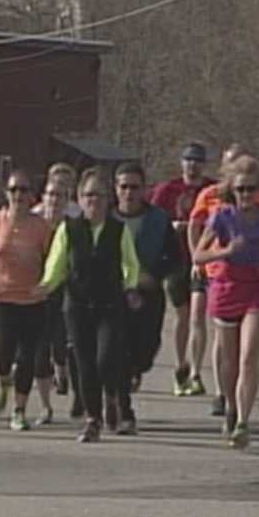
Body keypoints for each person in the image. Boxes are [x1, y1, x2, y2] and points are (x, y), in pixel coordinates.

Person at [192, 155, 259, 449]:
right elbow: (198, 255)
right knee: (229, 360)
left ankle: (244, 423)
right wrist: (223, 252)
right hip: (227, 286)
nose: (246, 195)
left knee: (249, 357)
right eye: (240, 189)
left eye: (251, 188)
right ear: (232, 190)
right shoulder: (221, 216)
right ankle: (231, 407)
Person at [37, 167, 142, 444]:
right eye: (87, 195)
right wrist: (45, 286)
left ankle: (111, 396)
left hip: (109, 303)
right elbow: (56, 264)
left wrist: (130, 286)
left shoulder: (118, 230)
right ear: (79, 199)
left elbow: (130, 263)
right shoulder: (68, 229)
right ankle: (92, 419)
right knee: (84, 364)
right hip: (78, 305)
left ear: (108, 199)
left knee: (106, 358)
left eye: (99, 195)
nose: (93, 201)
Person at [0, 168, 53, 431]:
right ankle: (3, 378)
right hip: (2, 298)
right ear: (6, 193)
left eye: (24, 190)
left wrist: (46, 285)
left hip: (32, 301)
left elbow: (53, 259)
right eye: (14, 189)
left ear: (31, 195)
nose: (19, 195)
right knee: (2, 353)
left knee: (26, 357)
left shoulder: (40, 226)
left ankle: (19, 410)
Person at [111, 161, 183, 434]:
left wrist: (155, 275)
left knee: (145, 351)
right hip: (114, 295)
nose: (129, 193)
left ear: (144, 190)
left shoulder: (158, 220)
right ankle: (123, 410)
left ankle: (137, 369)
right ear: (116, 189)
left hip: (148, 294)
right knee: (117, 350)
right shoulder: (106, 218)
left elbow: (175, 259)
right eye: (124, 186)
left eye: (134, 187)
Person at [149, 142, 218, 397]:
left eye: (198, 161)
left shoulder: (212, 190)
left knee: (198, 315)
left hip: (203, 259)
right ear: (181, 163)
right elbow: (152, 219)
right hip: (176, 258)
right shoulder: (168, 190)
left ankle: (196, 372)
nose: (193, 165)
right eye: (188, 160)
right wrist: (172, 226)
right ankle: (181, 365)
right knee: (183, 315)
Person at [30, 179, 76, 425]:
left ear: (67, 201)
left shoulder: (73, 226)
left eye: (59, 195)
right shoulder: (33, 225)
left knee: (62, 345)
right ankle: (46, 407)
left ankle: (63, 370)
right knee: (39, 350)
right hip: (38, 291)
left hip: (66, 293)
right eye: (50, 194)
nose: (54, 200)